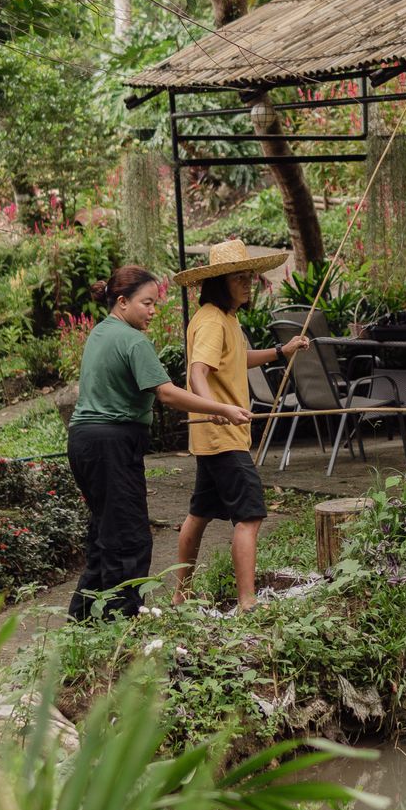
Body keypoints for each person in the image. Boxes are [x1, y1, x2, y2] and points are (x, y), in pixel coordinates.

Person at [65, 265, 251, 620]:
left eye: (155, 303)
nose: (153, 311)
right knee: (129, 538)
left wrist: (214, 410)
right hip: (110, 445)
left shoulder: (101, 332)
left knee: (106, 533)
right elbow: (166, 393)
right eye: (146, 303)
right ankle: (122, 624)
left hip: (84, 441)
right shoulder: (134, 340)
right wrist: (222, 408)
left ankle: (82, 622)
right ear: (122, 302)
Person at [172, 239, 311, 611]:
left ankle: (179, 595)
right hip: (222, 436)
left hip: (215, 437)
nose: (249, 283)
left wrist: (282, 351)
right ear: (220, 282)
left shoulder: (225, 318)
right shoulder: (213, 322)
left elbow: (236, 359)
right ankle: (248, 601)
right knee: (250, 516)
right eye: (240, 278)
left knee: (199, 514)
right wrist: (213, 406)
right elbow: (198, 372)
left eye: (250, 276)